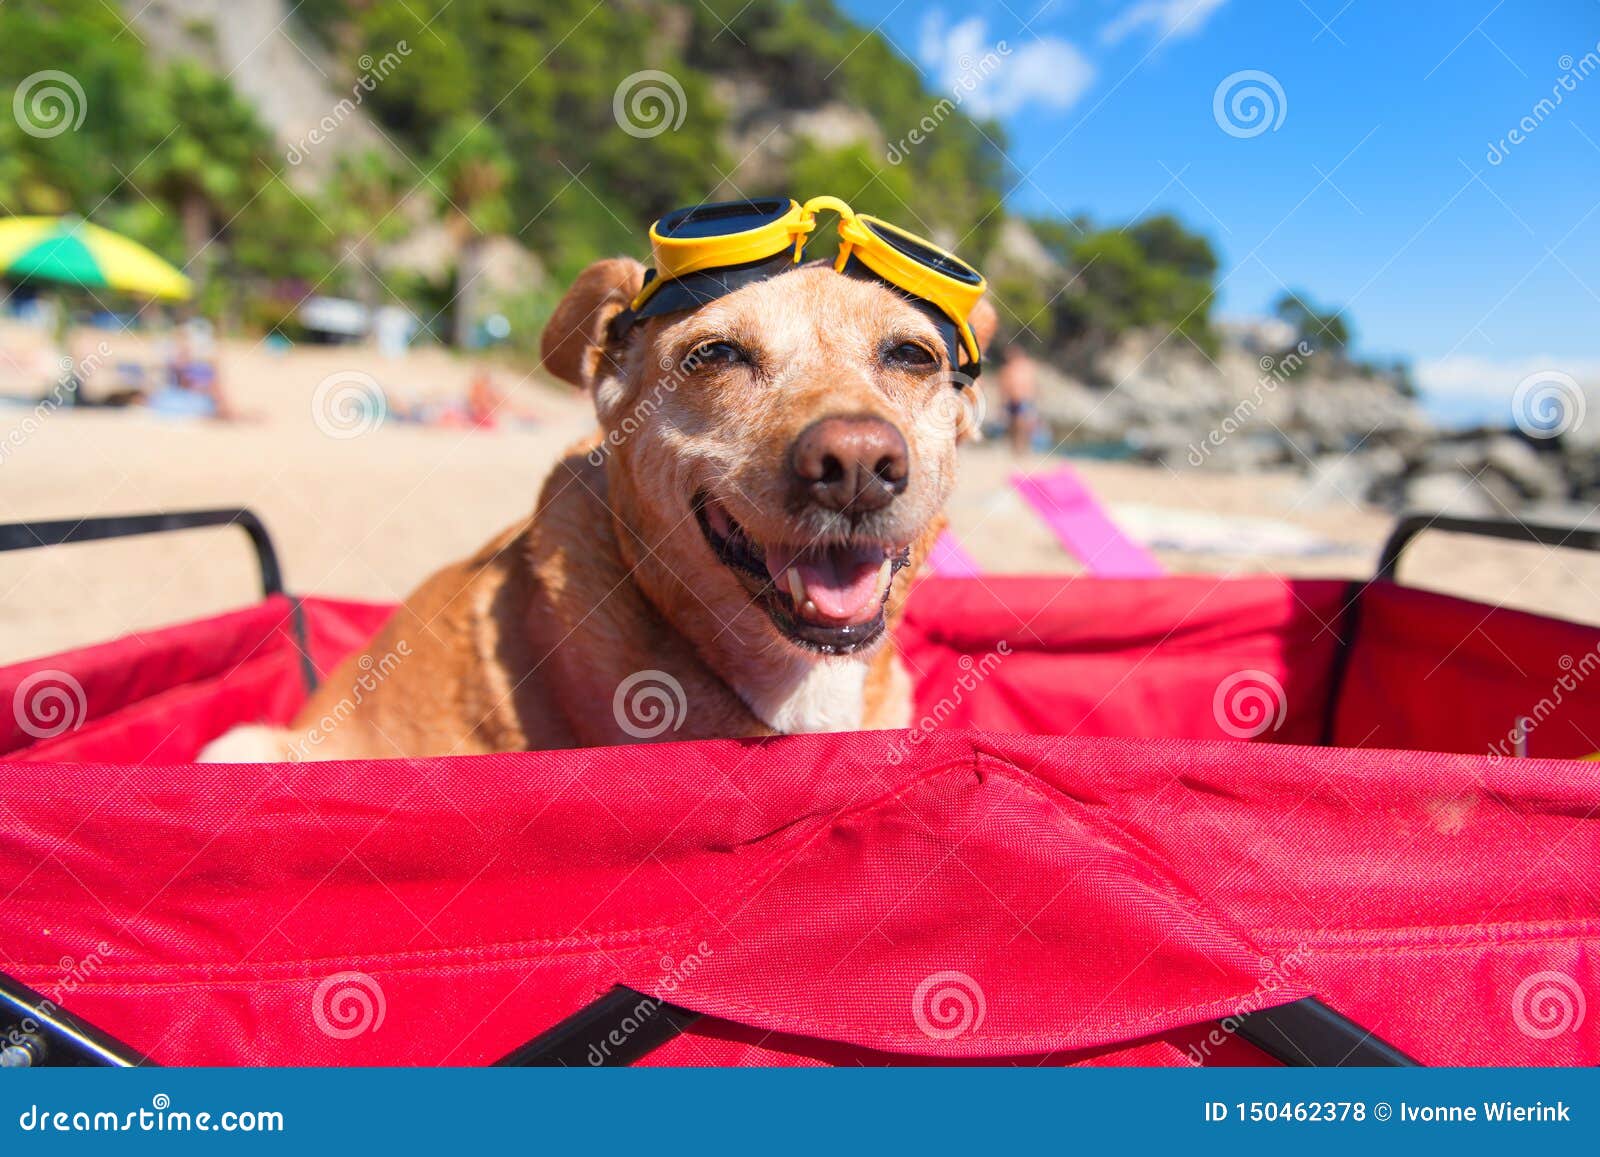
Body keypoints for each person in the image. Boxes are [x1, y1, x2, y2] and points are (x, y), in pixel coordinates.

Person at [996, 343, 1039, 456]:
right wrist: (1003, 402)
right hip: (1012, 400)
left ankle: (1022, 448)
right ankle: (1016, 449)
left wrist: (1032, 397)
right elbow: (1003, 386)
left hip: (1024, 399)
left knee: (1023, 424)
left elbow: (1032, 383)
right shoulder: (1007, 369)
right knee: (1013, 425)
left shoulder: (1026, 366)